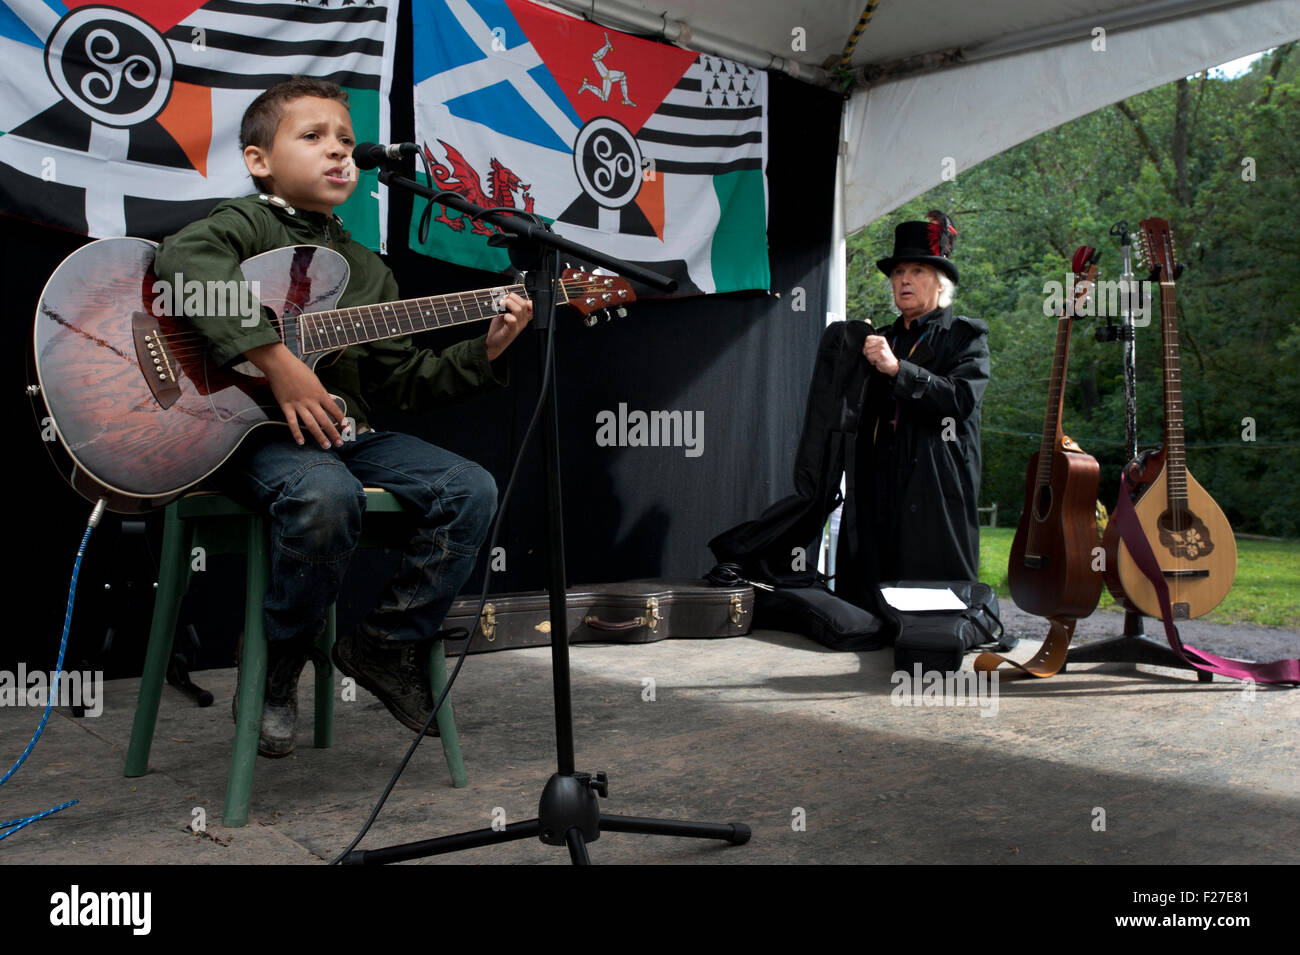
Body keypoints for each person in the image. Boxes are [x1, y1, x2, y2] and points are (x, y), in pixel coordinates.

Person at [153, 77, 533, 757]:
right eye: (314, 137)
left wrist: (487, 349)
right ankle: (278, 665)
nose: (339, 154)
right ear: (258, 159)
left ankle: (386, 644)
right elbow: (184, 262)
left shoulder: (366, 269)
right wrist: (275, 358)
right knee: (326, 494)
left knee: (469, 487)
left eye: (347, 143)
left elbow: (406, 381)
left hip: (343, 432)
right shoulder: (245, 224)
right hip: (252, 434)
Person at [855, 211, 989, 585]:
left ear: (940, 284)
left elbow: (960, 401)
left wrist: (898, 369)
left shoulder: (966, 337)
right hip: (882, 477)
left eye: (917, 271)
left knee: (936, 588)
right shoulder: (883, 337)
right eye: (899, 273)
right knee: (877, 579)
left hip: (936, 479)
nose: (905, 280)